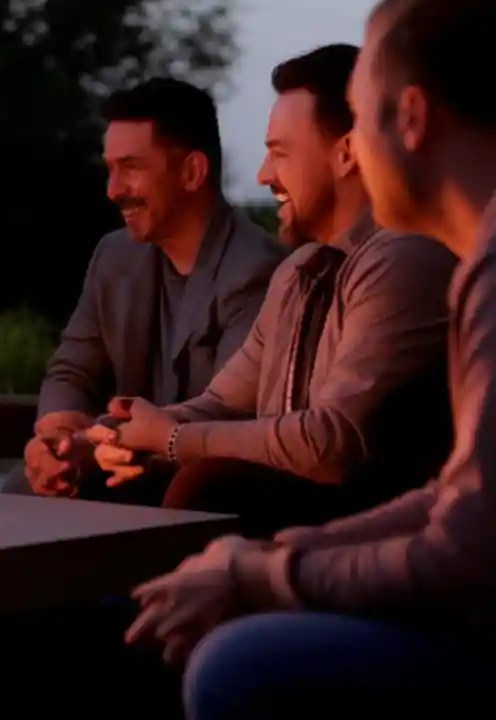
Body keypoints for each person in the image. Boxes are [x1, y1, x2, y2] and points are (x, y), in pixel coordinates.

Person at [123, 2, 496, 716]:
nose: (264, 172)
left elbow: (467, 550)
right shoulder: (458, 264)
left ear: (408, 119)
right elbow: (459, 500)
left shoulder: (461, 269)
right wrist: (275, 556)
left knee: (236, 666)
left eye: (363, 115)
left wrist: (269, 577)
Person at [94, 44, 456, 537]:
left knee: (208, 488)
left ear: (346, 152)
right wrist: (129, 431)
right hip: (287, 505)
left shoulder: (404, 259)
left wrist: (175, 439)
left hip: (368, 533)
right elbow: (222, 402)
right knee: (112, 480)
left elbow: (335, 443)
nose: (264, 174)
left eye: (279, 152)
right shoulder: (301, 270)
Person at [4, 77, 287, 502]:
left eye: (131, 168)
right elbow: (72, 369)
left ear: (192, 172)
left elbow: (228, 410)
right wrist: (58, 442)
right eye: (111, 169)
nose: (113, 190)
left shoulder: (258, 271)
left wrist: (96, 444)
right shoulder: (115, 257)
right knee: (25, 484)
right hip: (115, 462)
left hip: (198, 477)